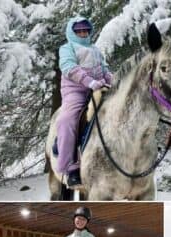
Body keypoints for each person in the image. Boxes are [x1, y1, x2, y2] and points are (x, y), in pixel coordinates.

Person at [56, 16, 113, 187]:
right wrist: (90, 82)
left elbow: (104, 69)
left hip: (99, 88)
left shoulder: (95, 49)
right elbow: (68, 67)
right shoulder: (67, 48)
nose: (82, 33)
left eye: (85, 30)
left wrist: (113, 80)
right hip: (76, 91)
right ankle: (71, 167)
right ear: (72, 32)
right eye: (78, 30)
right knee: (67, 120)